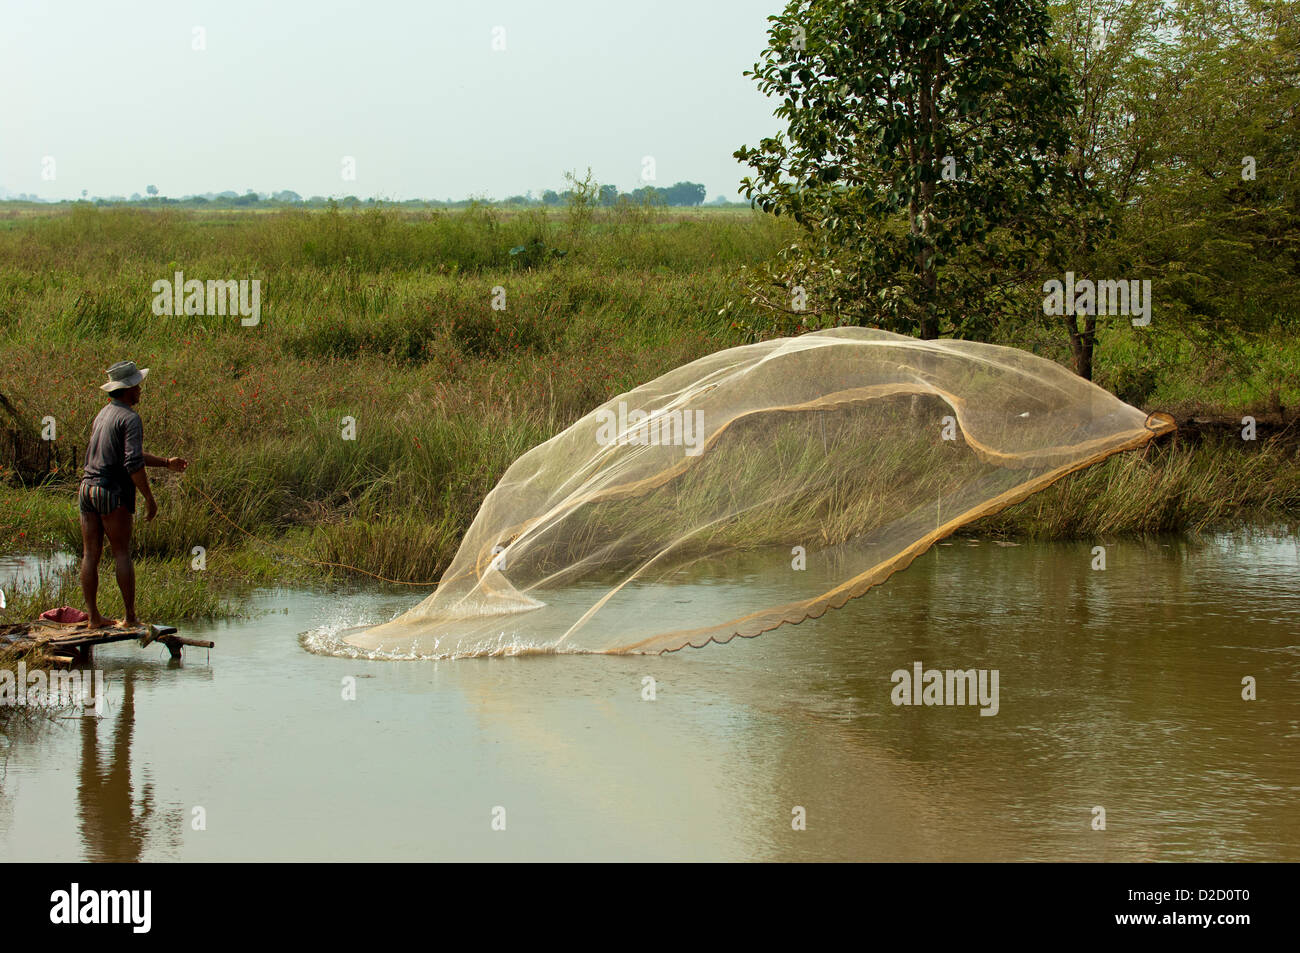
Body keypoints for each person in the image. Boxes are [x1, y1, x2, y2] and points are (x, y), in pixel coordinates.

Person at [79, 361, 188, 629]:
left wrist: (165, 462)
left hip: (86, 488)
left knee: (90, 554)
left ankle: (93, 618)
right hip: (110, 491)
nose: (140, 390)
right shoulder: (130, 418)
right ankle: (129, 617)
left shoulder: (103, 414)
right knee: (121, 554)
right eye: (137, 385)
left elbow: (130, 454)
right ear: (127, 389)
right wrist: (150, 499)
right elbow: (132, 465)